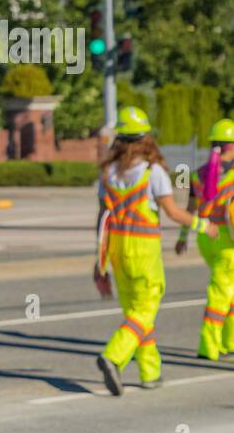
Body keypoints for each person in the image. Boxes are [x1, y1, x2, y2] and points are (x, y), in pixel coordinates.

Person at [94, 106, 216, 395]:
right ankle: (113, 355)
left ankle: (150, 372)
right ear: (146, 138)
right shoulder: (153, 172)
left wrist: (97, 264)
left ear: (119, 140)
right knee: (145, 311)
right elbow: (173, 212)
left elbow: (101, 221)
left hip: (115, 250)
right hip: (144, 250)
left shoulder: (108, 173)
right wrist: (202, 225)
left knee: (136, 312)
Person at [178, 118, 234, 361]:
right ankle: (208, 345)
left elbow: (190, 207)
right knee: (220, 293)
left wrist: (183, 237)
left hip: (205, 238)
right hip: (228, 241)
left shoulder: (198, 173)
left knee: (230, 290)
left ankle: (229, 340)